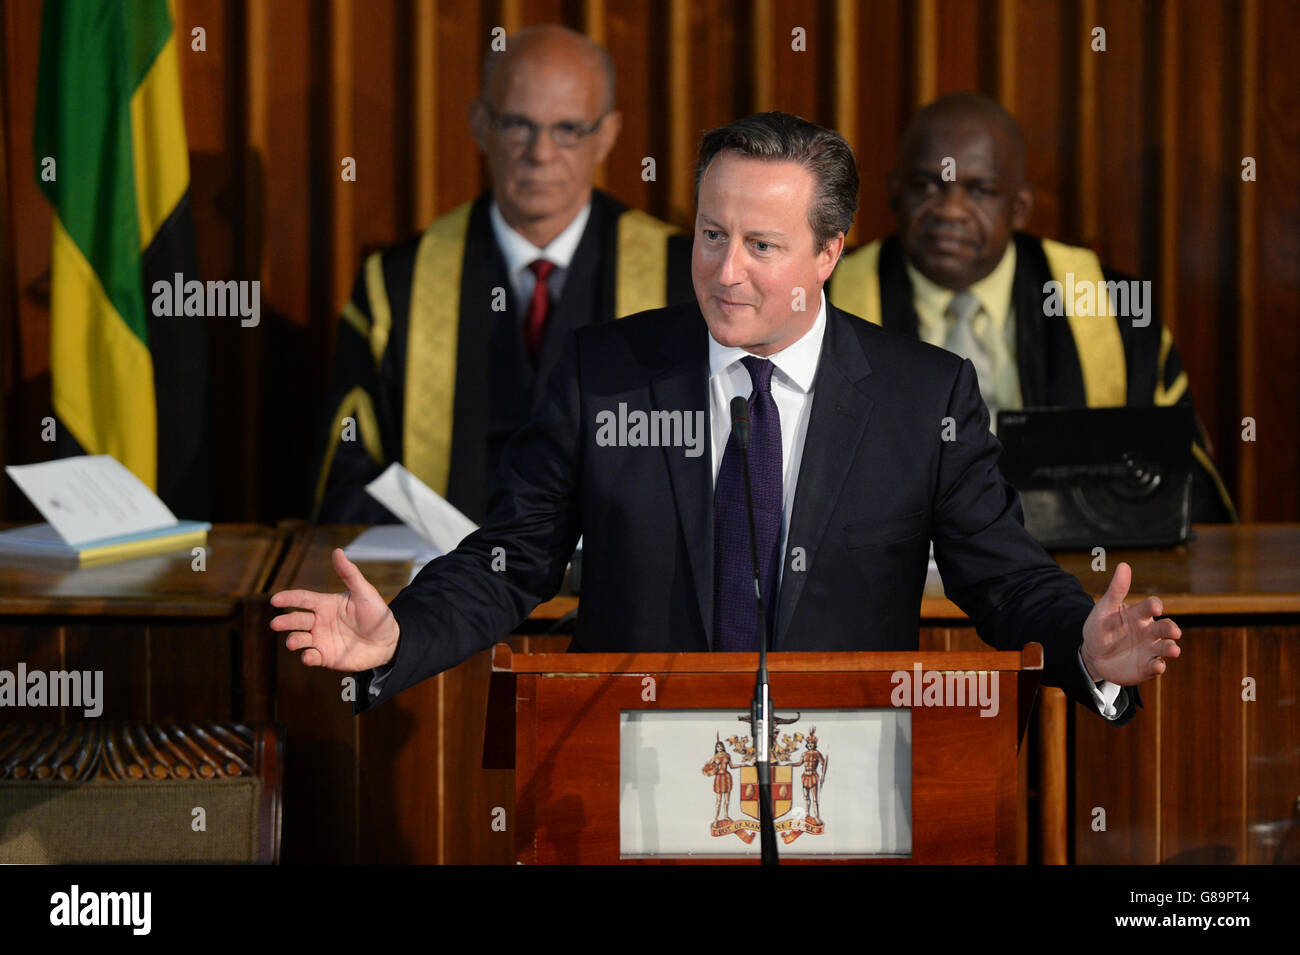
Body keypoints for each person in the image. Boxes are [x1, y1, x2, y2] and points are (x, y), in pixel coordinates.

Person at [273, 112, 1185, 729]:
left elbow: (1005, 581)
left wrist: (1083, 647)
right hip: (636, 764)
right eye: (713, 234)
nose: (726, 272)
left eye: (762, 245)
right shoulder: (609, 375)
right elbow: (511, 560)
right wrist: (400, 634)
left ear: (830, 252)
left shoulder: (924, 397)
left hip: (843, 777)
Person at [311, 24, 693, 524]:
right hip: (439, 590)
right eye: (517, 125)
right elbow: (348, 475)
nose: (540, 154)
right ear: (479, 125)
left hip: (619, 595)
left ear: (608, 135)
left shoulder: (679, 278)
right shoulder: (395, 285)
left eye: (569, 130)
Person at [829, 92, 1235, 522]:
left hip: (1065, 567)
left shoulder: (1113, 307)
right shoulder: (826, 298)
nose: (950, 211)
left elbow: (1178, 478)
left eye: (980, 190)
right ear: (895, 192)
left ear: (1019, 208)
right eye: (926, 186)